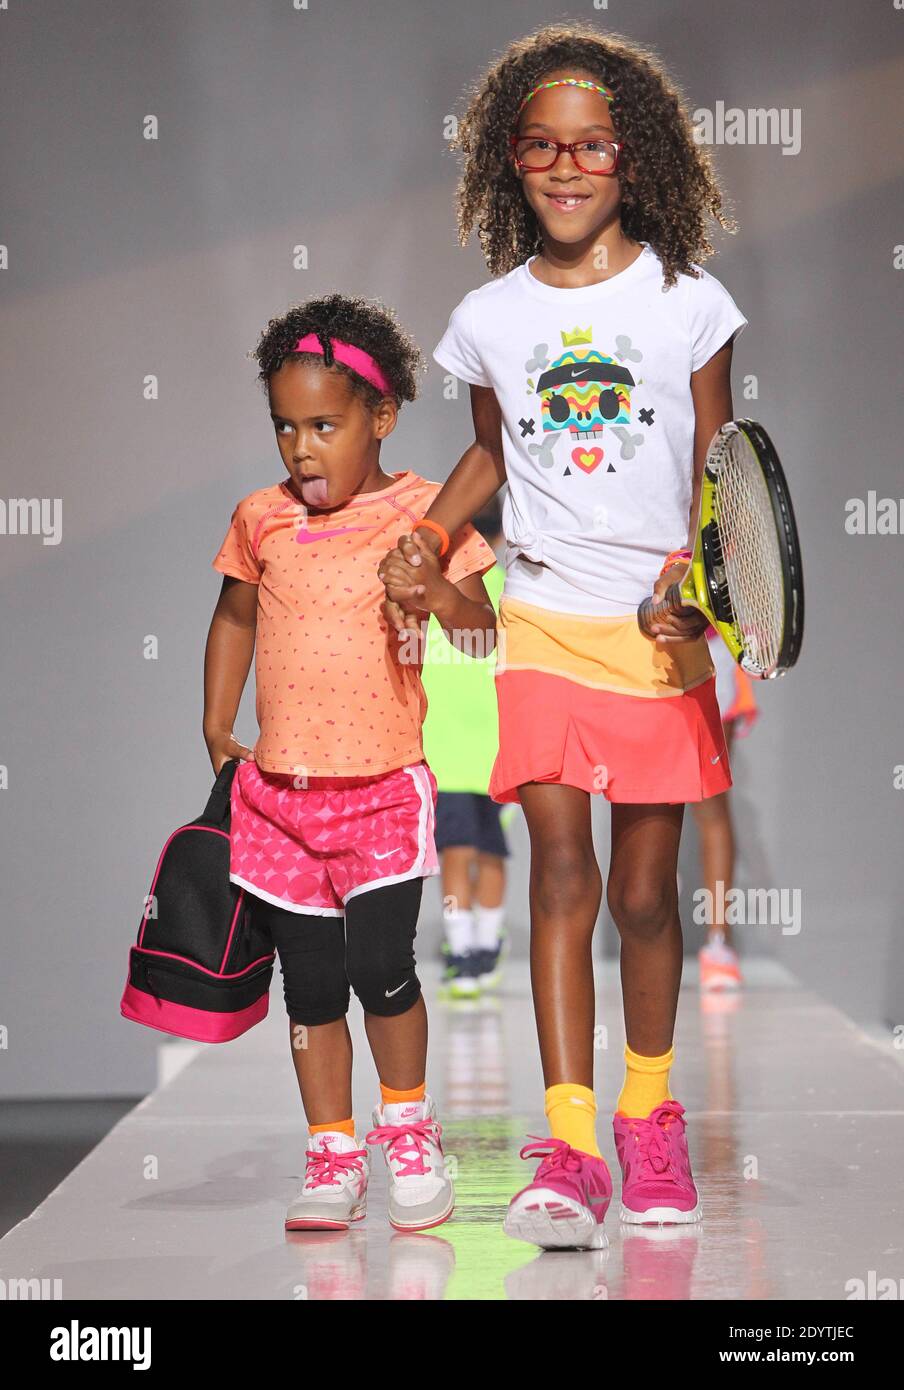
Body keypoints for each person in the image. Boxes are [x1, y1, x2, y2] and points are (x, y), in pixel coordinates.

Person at [378, 23, 748, 1247]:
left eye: (590, 146)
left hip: (655, 628)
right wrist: (431, 537)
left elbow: (717, 466)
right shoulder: (488, 314)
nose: (566, 166)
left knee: (646, 893)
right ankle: (574, 1139)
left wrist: (696, 585)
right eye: (539, 147)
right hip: (537, 614)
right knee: (561, 872)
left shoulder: (689, 300)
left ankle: (651, 1116)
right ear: (508, 163)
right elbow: (490, 451)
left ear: (630, 158)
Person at [204, 293, 497, 1233]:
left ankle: (407, 1126)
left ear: (382, 417)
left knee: (383, 968)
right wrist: (217, 723)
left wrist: (440, 588)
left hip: (382, 793)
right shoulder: (261, 518)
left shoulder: (421, 513)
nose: (301, 448)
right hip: (281, 798)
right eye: (285, 427)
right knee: (312, 986)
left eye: (324, 425)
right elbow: (236, 616)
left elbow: (482, 632)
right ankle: (332, 1150)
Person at [420, 497, 510, 998]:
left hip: (463, 750)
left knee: (462, 852)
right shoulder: (502, 592)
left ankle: (472, 945)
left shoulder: (440, 594)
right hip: (479, 751)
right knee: (479, 852)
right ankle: (472, 946)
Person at [693, 627, 759, 991]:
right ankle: (646, 932)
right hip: (640, 653)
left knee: (712, 807)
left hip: (712, 654)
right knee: (643, 804)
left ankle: (718, 944)